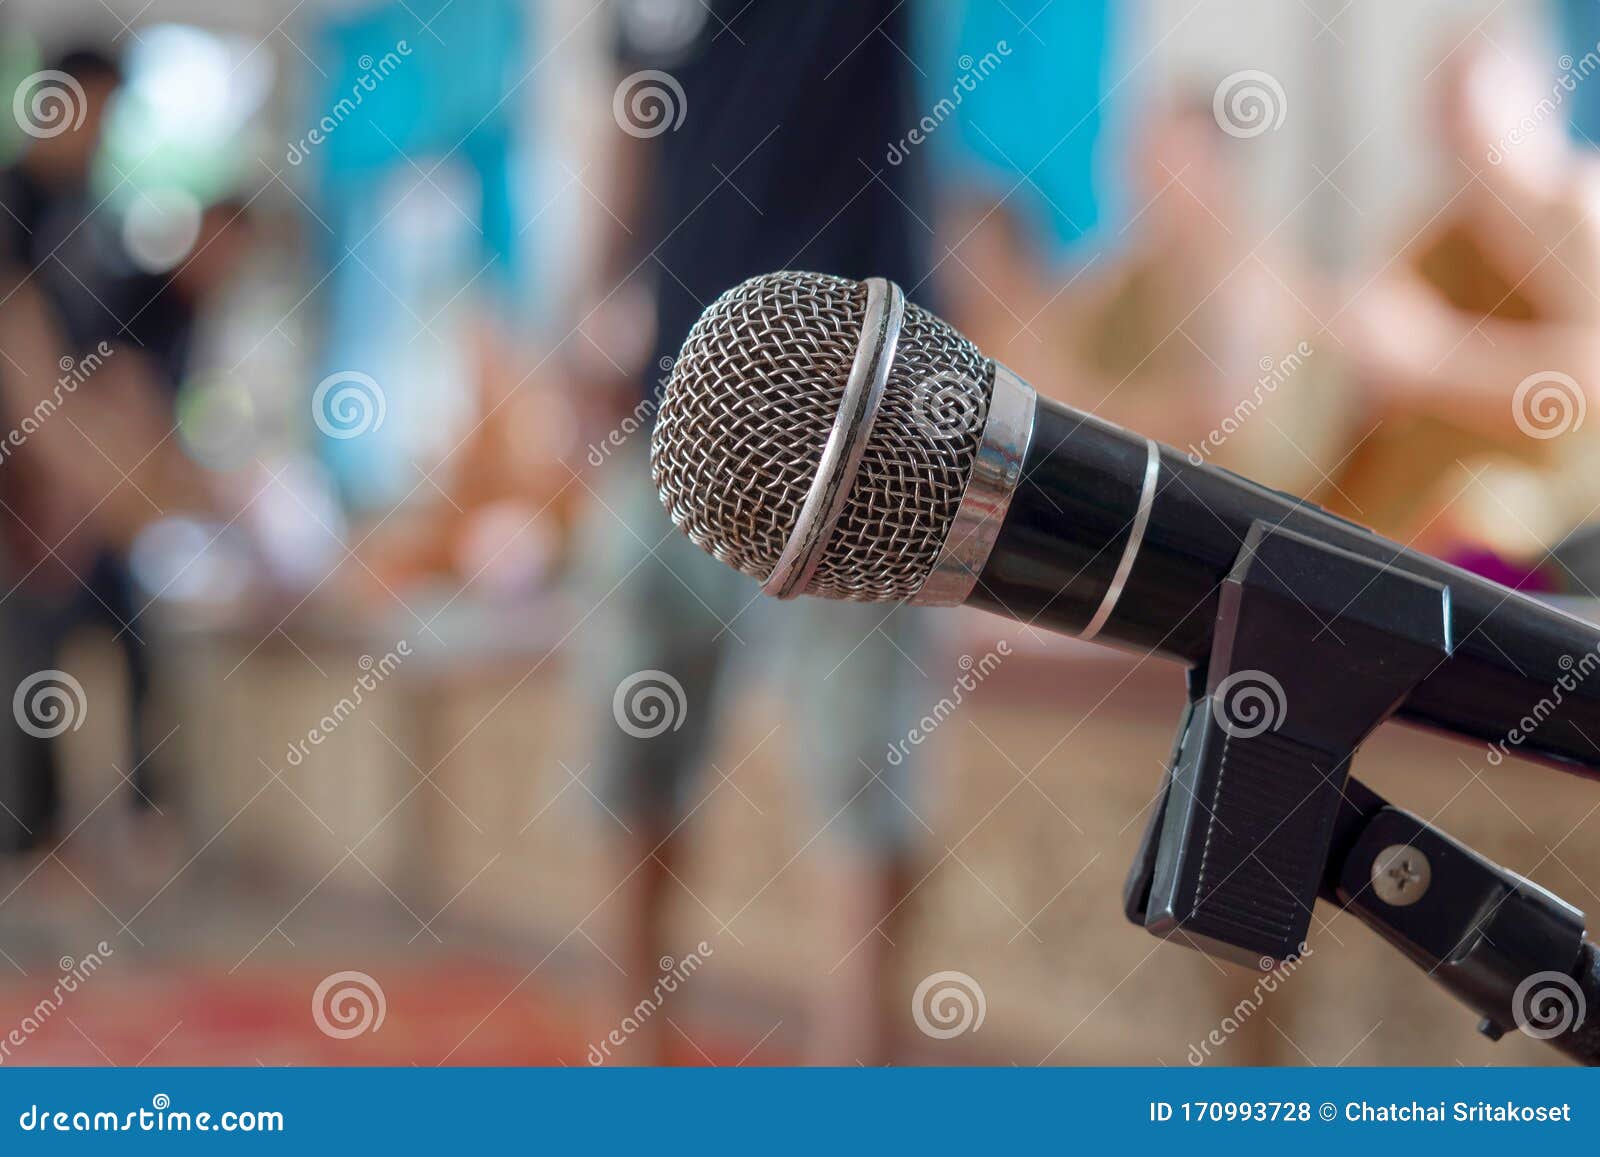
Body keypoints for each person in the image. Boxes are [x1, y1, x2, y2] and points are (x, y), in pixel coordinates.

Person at [571, 0, 940, 1064]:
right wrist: (588, 313)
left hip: (861, 409)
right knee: (630, 730)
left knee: (860, 756)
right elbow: (628, 133)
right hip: (673, 407)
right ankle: (632, 1042)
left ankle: (856, 1064)